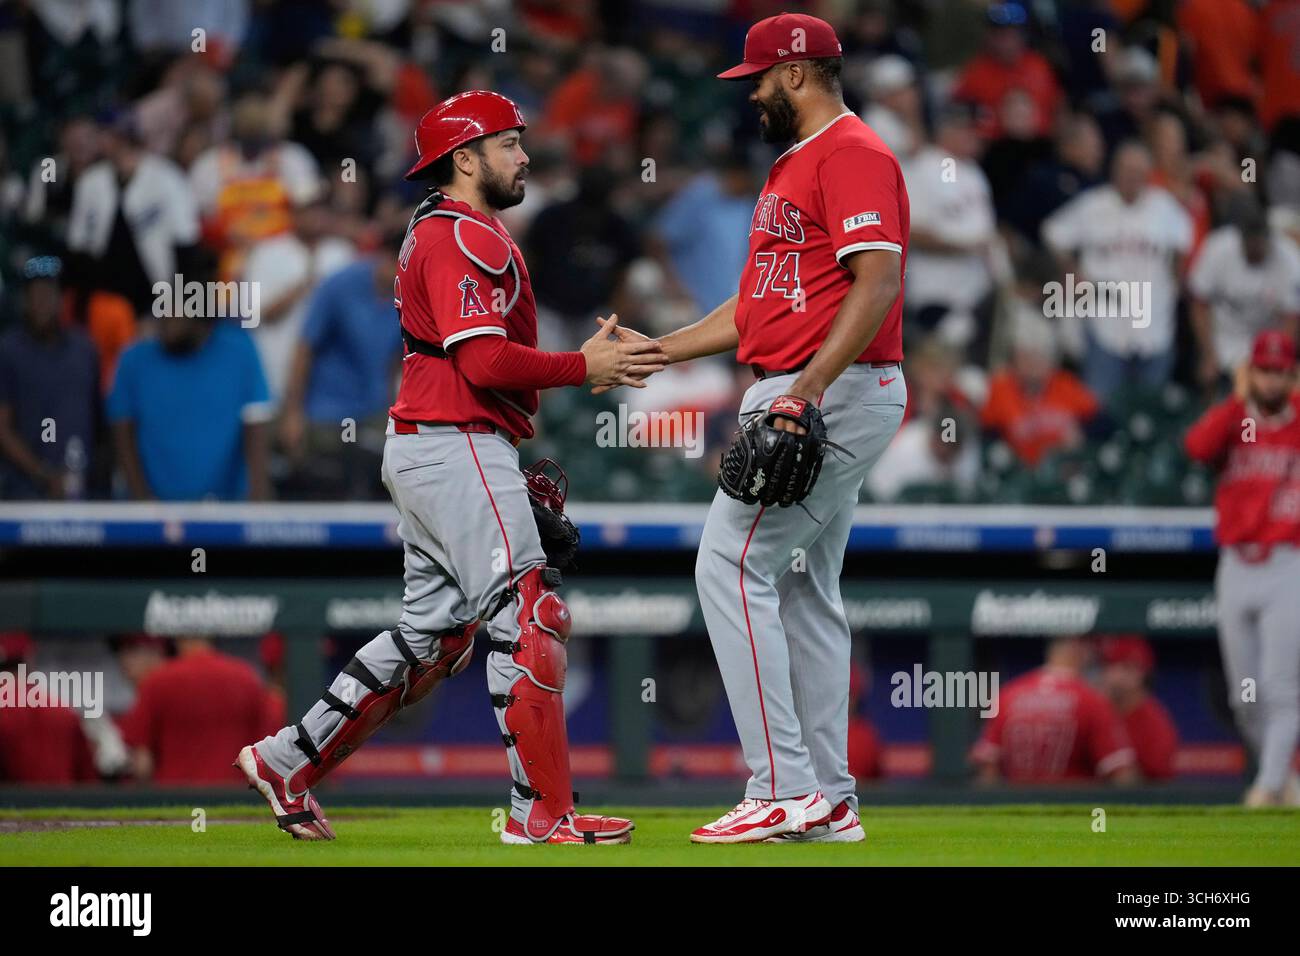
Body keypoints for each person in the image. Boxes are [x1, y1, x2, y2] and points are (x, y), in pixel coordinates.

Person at [237, 91, 662, 845]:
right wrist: (584, 364)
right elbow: (482, 357)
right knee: (530, 614)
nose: (524, 155)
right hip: (455, 437)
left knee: (432, 636)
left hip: (437, 441)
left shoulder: (444, 228)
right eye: (507, 144)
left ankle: (285, 760)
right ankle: (543, 814)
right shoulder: (464, 234)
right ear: (465, 160)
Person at [619, 14, 909, 843]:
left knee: (729, 565)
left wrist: (807, 391)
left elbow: (879, 282)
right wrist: (658, 354)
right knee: (804, 590)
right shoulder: (796, 163)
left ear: (795, 75)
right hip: (812, 384)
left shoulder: (849, 152)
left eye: (756, 78)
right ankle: (829, 798)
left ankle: (780, 786)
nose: (748, 93)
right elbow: (758, 306)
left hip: (833, 387)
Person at [1184, 329, 1300, 806]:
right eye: (1264, 370)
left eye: (1280, 371)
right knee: (1244, 699)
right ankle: (1285, 779)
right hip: (1236, 565)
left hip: (1287, 564)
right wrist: (1236, 400)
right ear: (1250, 372)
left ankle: (1267, 787)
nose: (1271, 381)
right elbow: (1196, 447)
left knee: (1280, 689)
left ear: (1293, 376)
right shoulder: (1235, 422)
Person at [1042, 141, 1193, 400]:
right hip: (1105, 321)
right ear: (1114, 171)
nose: (1132, 176)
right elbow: (1053, 233)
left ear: (1149, 173)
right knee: (1100, 407)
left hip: (1153, 321)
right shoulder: (1093, 204)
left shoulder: (1165, 207)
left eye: (1139, 170)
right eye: (1126, 169)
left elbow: (1184, 243)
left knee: (1150, 408)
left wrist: (1175, 279)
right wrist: (1072, 270)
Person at [107, 309, 271, 501]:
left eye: (176, 313)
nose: (167, 320)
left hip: (227, 508)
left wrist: (258, 511)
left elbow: (256, 430)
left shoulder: (240, 350)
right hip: (152, 510)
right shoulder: (133, 359)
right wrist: (144, 506)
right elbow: (122, 435)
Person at [971, 636, 1138, 783]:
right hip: (1073, 811)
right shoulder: (1092, 700)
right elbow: (1122, 775)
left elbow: (988, 772)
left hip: (1020, 811)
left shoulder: (1008, 694)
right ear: (1077, 648)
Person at [118, 636, 279, 784]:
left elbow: (142, 763)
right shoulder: (247, 677)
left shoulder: (158, 680)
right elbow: (267, 753)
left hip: (175, 801)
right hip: (233, 799)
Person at [0, 257, 98, 499]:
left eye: (48, 292)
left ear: (61, 298)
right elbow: (2, 427)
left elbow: (98, 420)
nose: (42, 301)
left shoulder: (84, 348)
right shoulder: (9, 350)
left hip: (81, 486)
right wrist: (43, 473)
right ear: (25, 300)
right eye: (35, 294)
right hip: (24, 490)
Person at [1189, 199, 1300, 394]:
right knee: (1217, 396)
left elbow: (1291, 319)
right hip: (1224, 338)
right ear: (1240, 238)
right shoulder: (1218, 247)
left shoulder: (1289, 258)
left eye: (1260, 244)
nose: (1255, 249)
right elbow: (1199, 302)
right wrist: (1208, 353)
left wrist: (1278, 362)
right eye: (1250, 244)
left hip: (1266, 341)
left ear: (1269, 239)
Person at [0, 632, 97, 783]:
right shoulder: (62, 709)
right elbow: (88, 780)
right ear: (29, 660)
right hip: (62, 803)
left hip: (12, 804)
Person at [1098, 635, 1179, 781]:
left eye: (1125, 668)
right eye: (1109, 666)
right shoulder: (1097, 711)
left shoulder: (1154, 722)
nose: (1114, 675)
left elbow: (1158, 776)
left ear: (1142, 673)